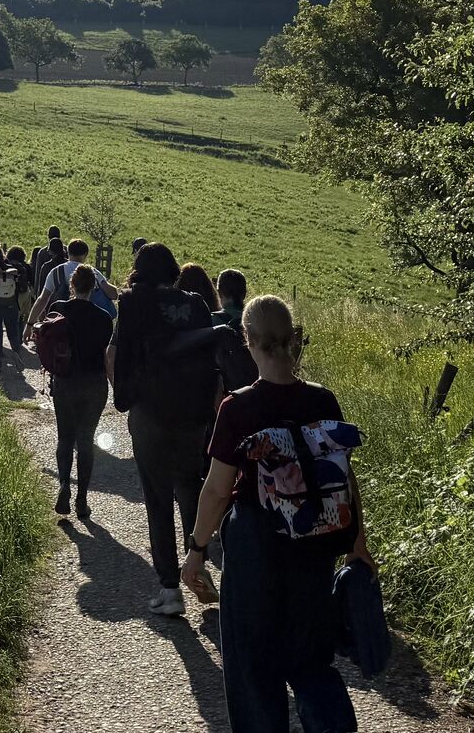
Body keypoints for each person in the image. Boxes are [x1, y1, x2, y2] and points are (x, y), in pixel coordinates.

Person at [182, 295, 373, 733]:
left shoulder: (238, 407)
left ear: (248, 341)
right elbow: (343, 478)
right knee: (310, 660)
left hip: (255, 545)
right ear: (292, 339)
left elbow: (215, 490)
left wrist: (196, 550)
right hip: (314, 544)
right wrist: (357, 545)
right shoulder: (323, 401)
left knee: (252, 667)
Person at [108, 242, 219, 617]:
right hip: (192, 415)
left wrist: (123, 398)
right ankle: (199, 566)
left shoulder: (133, 303)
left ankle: (170, 590)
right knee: (190, 490)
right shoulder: (197, 305)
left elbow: (122, 356)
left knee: (157, 499)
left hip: (150, 412)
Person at [48, 263, 115, 519]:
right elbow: (106, 358)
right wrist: (114, 385)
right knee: (86, 440)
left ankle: (64, 483)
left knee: (65, 437)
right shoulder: (103, 318)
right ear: (94, 287)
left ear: (71, 286)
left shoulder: (58, 310)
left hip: (64, 381)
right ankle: (82, 499)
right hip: (93, 384)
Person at [29, 237, 119, 326]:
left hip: (62, 325)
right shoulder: (91, 272)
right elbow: (113, 294)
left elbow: (42, 299)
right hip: (88, 323)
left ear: (68, 253)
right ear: (86, 254)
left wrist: (29, 324)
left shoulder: (56, 272)